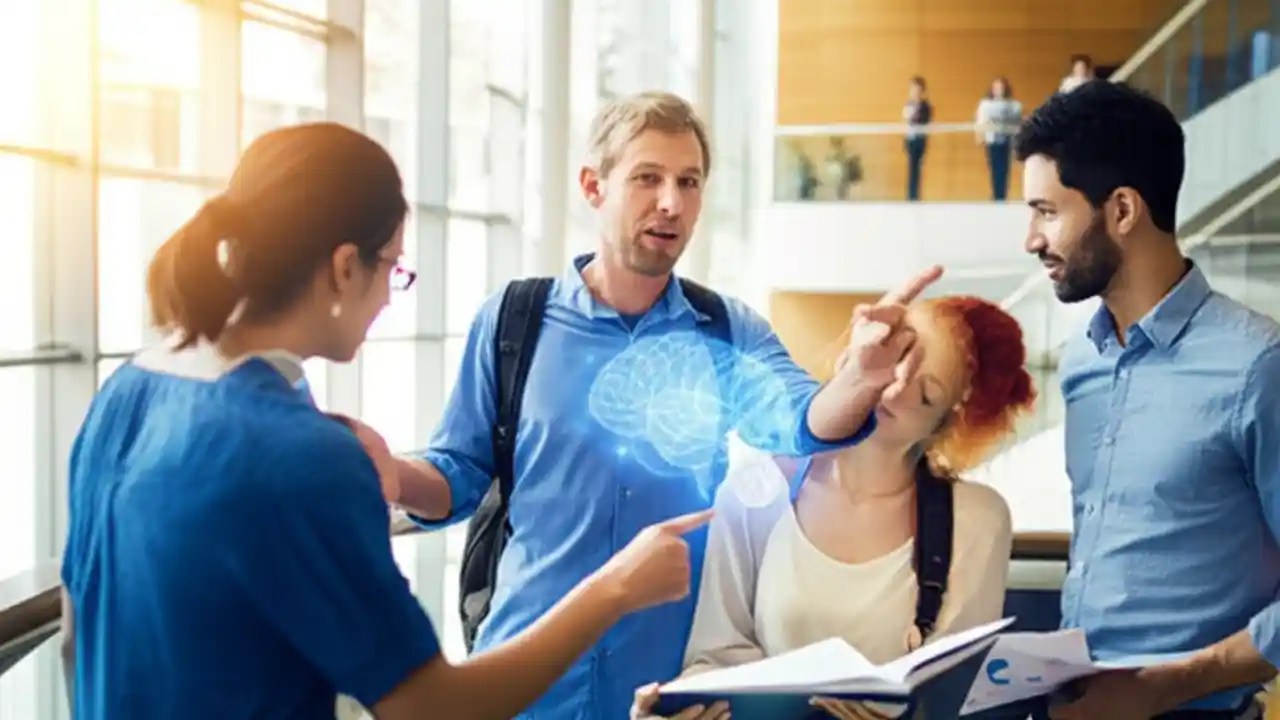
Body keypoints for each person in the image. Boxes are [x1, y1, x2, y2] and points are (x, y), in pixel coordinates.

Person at [58, 122, 718, 720]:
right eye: (393, 268)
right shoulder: (303, 454)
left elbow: (73, 633)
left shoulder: (129, 389)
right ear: (345, 267)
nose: (387, 295)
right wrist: (613, 590)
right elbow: (432, 708)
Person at [389, 91, 944, 719]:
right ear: (594, 186)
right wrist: (390, 471)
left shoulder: (725, 330)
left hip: (665, 701)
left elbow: (801, 422)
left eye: (690, 182)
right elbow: (458, 476)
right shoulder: (514, 321)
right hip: (523, 686)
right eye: (647, 178)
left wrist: (862, 378)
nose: (671, 203)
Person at [631, 295, 1036, 720]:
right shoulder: (757, 491)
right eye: (895, 355)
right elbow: (713, 659)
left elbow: (957, 695)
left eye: (926, 392)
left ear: (944, 424)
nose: (893, 386)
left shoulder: (975, 520)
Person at [1016, 81, 1280, 718]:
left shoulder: (1257, 366)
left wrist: (1165, 687)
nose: (1030, 239)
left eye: (1047, 211)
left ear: (1123, 210)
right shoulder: (1082, 362)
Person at [974, 76, 1022, 201]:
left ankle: (1002, 195)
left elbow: (1017, 122)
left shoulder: (1013, 105)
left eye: (1001, 87)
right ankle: (996, 195)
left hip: (1007, 140)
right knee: (994, 168)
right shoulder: (986, 104)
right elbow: (981, 121)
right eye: (996, 88)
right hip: (992, 140)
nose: (998, 90)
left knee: (1005, 169)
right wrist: (979, 136)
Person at [903, 76, 933, 202]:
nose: (914, 92)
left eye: (917, 89)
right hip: (910, 139)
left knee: (917, 168)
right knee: (911, 168)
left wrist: (916, 113)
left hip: (919, 140)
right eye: (912, 89)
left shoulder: (926, 105)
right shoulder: (908, 105)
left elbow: (924, 120)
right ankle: (911, 196)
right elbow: (906, 120)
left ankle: (915, 196)